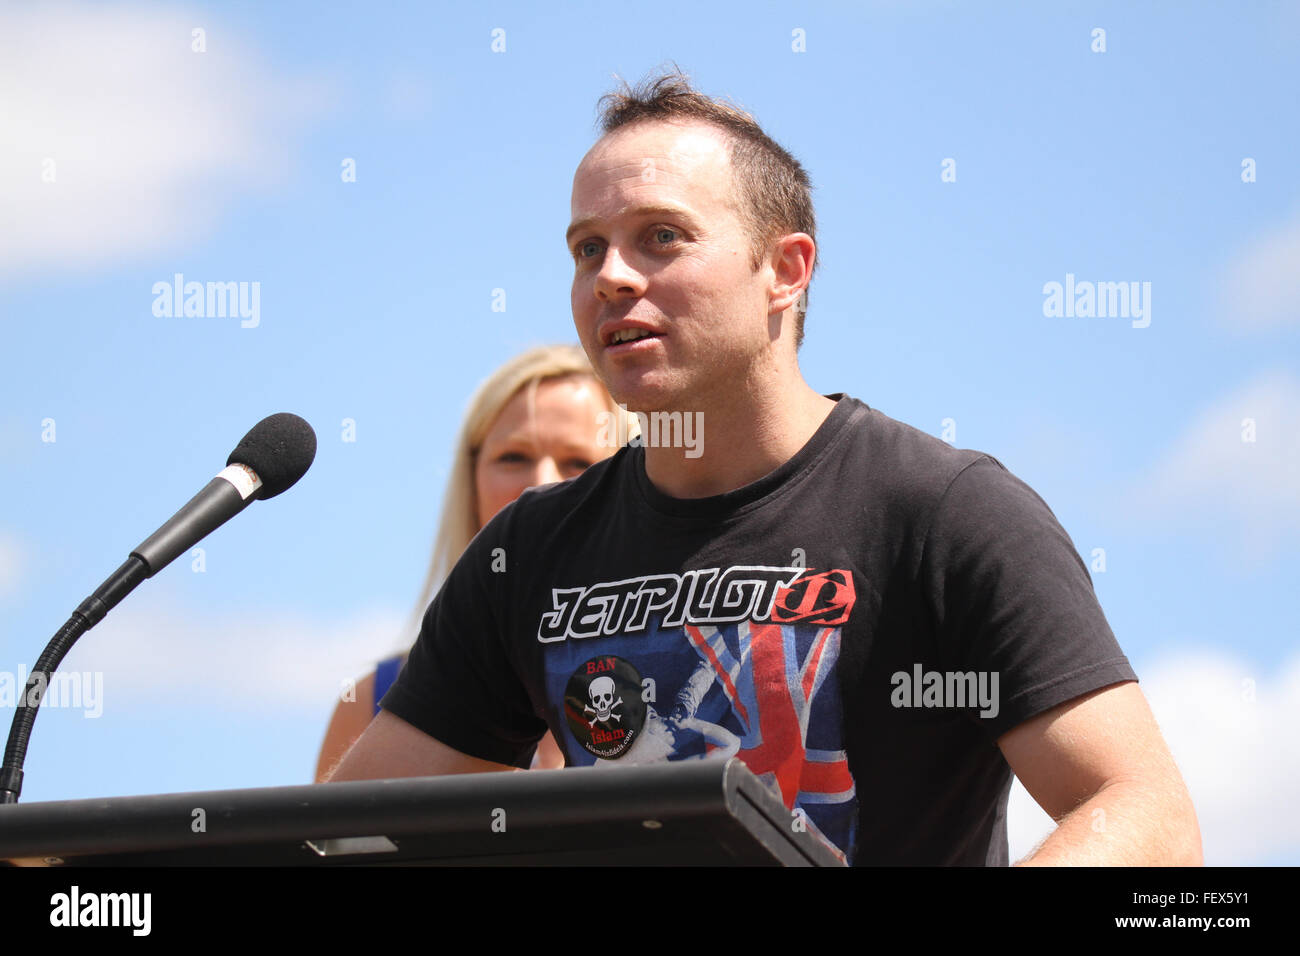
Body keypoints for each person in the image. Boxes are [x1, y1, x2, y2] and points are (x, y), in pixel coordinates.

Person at [329, 70, 1202, 866]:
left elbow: (1144, 813)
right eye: (587, 248)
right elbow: (348, 833)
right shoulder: (533, 547)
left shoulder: (945, 512)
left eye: (660, 237)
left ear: (785, 270)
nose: (610, 278)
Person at [314, 344, 631, 782]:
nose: (540, 484)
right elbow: (329, 846)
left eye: (576, 461)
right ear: (472, 477)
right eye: (513, 457)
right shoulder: (371, 699)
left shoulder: (675, 665)